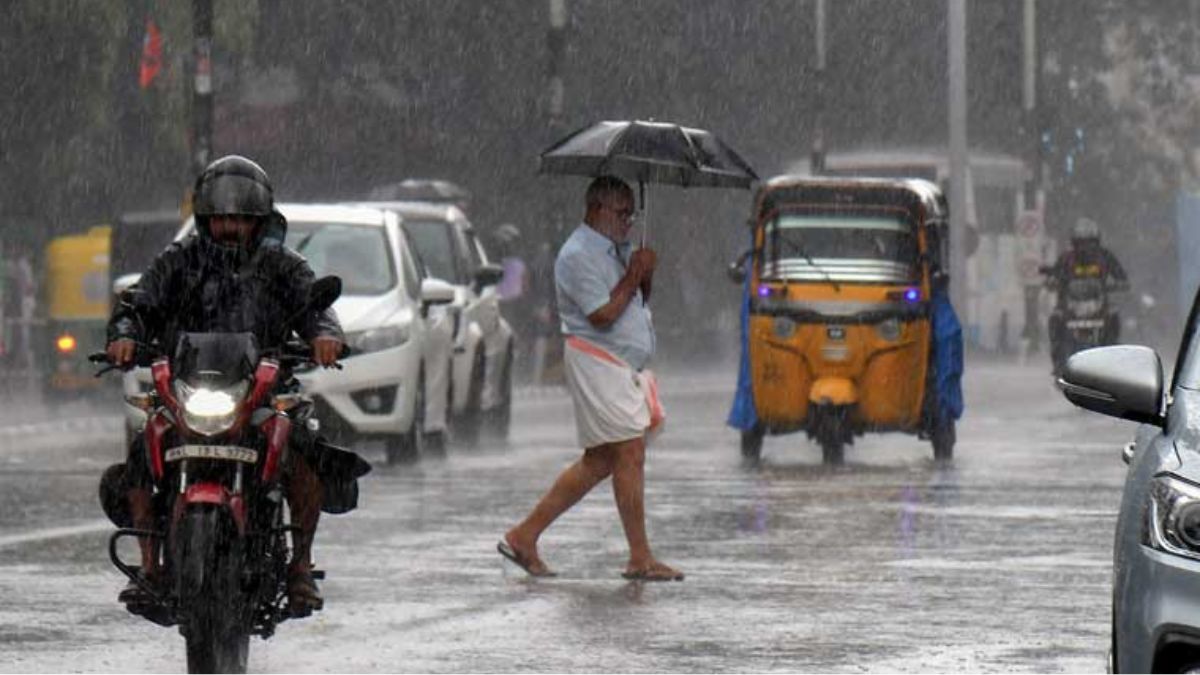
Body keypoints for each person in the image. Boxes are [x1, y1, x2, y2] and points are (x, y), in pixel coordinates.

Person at [104, 155, 345, 613]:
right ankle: (150, 564)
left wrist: (325, 336)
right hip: (188, 388)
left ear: (260, 221)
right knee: (143, 448)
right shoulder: (178, 260)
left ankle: (300, 565)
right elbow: (137, 304)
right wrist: (124, 336)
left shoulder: (283, 265)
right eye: (221, 218)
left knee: (305, 446)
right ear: (204, 218)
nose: (231, 227)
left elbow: (317, 309)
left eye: (242, 219)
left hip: (263, 390)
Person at [498, 175, 683, 582]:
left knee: (600, 461)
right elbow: (602, 313)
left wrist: (644, 273)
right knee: (630, 452)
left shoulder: (618, 249)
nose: (628, 221)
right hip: (599, 361)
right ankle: (640, 556)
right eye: (621, 213)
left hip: (622, 365)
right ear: (597, 209)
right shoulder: (577, 254)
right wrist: (633, 275)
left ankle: (525, 535)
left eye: (631, 214)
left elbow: (636, 299)